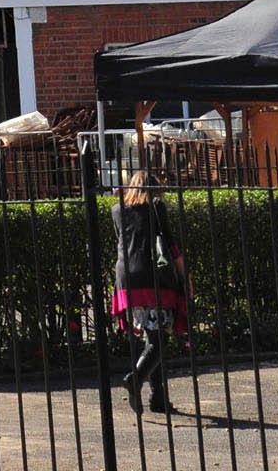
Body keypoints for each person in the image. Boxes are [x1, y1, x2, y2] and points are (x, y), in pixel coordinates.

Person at [111, 167, 189, 416]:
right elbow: (170, 244)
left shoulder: (117, 210)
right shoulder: (156, 207)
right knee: (160, 341)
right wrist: (184, 276)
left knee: (151, 336)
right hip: (153, 278)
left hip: (126, 278)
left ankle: (158, 398)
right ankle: (136, 378)